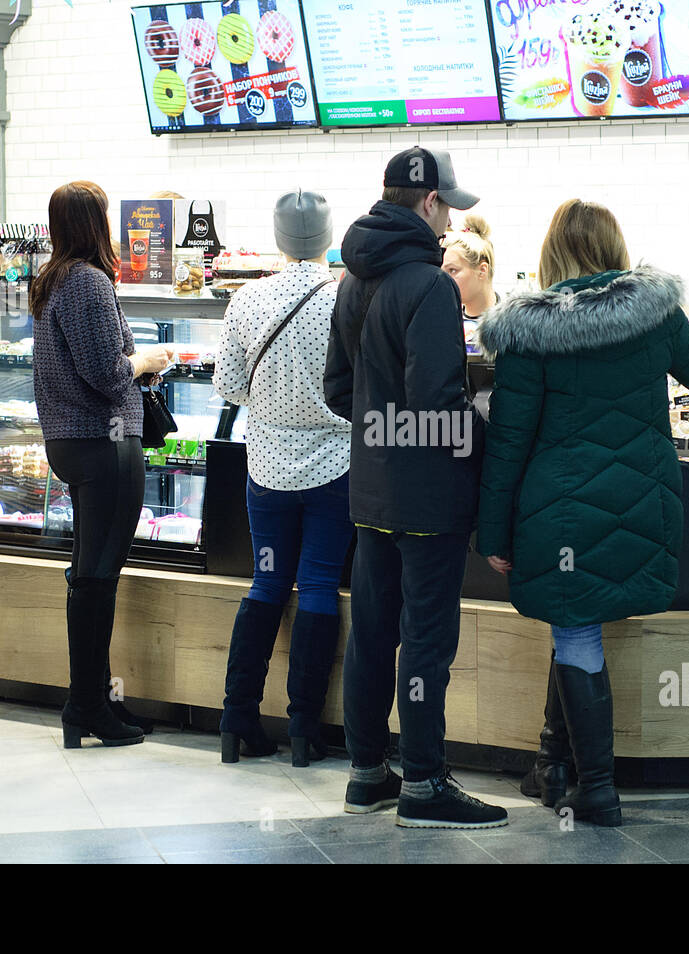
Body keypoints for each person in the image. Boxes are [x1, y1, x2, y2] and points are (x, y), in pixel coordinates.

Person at [475, 199, 689, 827]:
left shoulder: (527, 331)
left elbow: (508, 442)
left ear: (551, 254)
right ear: (615, 248)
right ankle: (554, 766)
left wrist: (493, 531)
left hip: (560, 511)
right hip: (642, 501)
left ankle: (597, 787)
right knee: (576, 623)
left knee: (575, 629)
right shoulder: (654, 315)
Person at [324, 147, 506, 829]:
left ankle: (367, 772)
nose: (452, 218)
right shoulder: (429, 286)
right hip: (428, 499)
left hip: (370, 493)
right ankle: (425, 785)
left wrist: (381, 435)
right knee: (426, 640)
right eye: (450, 205)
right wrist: (487, 441)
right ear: (429, 202)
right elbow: (437, 405)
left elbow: (339, 390)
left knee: (372, 633)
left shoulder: (353, 279)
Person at [31, 181, 175, 749]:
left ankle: (91, 698)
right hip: (102, 442)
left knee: (88, 572)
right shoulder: (89, 283)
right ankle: (88, 705)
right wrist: (145, 359)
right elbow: (107, 374)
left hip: (72, 442)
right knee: (97, 578)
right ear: (98, 223)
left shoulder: (52, 281)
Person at [213, 190, 352, 768]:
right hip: (335, 466)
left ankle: (236, 717)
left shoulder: (246, 298)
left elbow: (227, 386)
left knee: (266, 584)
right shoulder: (348, 298)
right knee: (318, 585)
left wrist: (270, 404)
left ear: (276, 237)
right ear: (327, 237)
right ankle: (303, 728)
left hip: (266, 466)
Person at [441, 213, 499, 347]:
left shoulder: (512, 324)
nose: (444, 279)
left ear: (482, 270)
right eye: (442, 271)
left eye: (452, 270)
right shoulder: (443, 321)